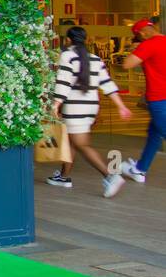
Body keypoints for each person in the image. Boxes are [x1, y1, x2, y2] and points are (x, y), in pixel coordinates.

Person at [46, 26, 133, 197]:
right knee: (72, 141)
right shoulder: (95, 59)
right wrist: (121, 105)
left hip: (75, 107)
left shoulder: (67, 56)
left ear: (68, 40)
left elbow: (63, 82)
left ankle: (110, 177)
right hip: (91, 107)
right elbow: (107, 83)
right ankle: (63, 176)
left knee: (81, 145)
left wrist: (56, 104)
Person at [120, 18, 166, 183]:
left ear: (142, 33)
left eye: (138, 36)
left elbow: (126, 64)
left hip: (159, 98)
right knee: (154, 135)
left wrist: (135, 50)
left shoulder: (148, 45)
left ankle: (139, 170)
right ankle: (139, 169)